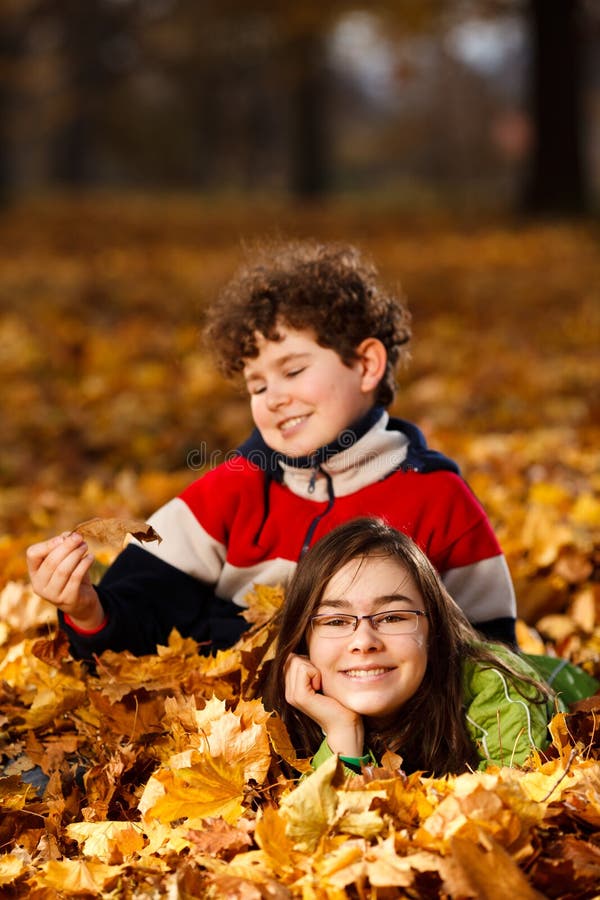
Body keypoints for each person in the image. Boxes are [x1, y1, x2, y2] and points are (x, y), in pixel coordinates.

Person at [27, 241, 518, 661]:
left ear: (367, 365)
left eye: (294, 371)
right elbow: (141, 615)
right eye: (257, 386)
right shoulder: (232, 489)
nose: (274, 397)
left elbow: (489, 655)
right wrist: (87, 610)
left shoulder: (438, 499)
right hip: (225, 721)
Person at [264, 517, 556, 775]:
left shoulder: (497, 691)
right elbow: (319, 814)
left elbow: (510, 804)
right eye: (336, 621)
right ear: (304, 640)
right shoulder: (283, 715)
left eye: (392, 617)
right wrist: (342, 732)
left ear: (433, 629)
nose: (364, 642)